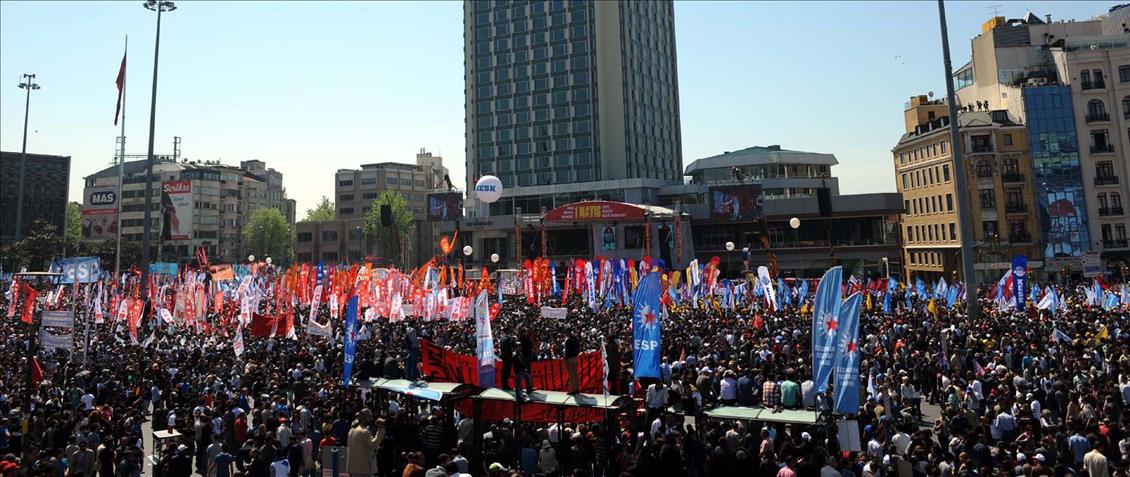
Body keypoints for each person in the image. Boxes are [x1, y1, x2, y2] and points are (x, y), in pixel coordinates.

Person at [346, 409, 385, 477]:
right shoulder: (364, 431)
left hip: (354, 470)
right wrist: (381, 428)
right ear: (362, 417)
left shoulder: (351, 431)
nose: (371, 419)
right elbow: (374, 444)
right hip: (364, 470)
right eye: (369, 416)